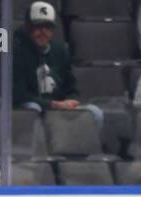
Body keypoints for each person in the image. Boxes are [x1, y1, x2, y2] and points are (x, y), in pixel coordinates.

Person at [14, 1, 103, 129]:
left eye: (47, 27)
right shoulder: (17, 52)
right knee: (33, 110)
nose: (42, 32)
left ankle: (87, 148)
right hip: (33, 105)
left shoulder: (60, 50)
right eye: (37, 27)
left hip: (60, 106)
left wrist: (71, 101)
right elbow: (19, 95)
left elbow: (72, 87)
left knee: (95, 113)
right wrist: (53, 105)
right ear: (28, 27)